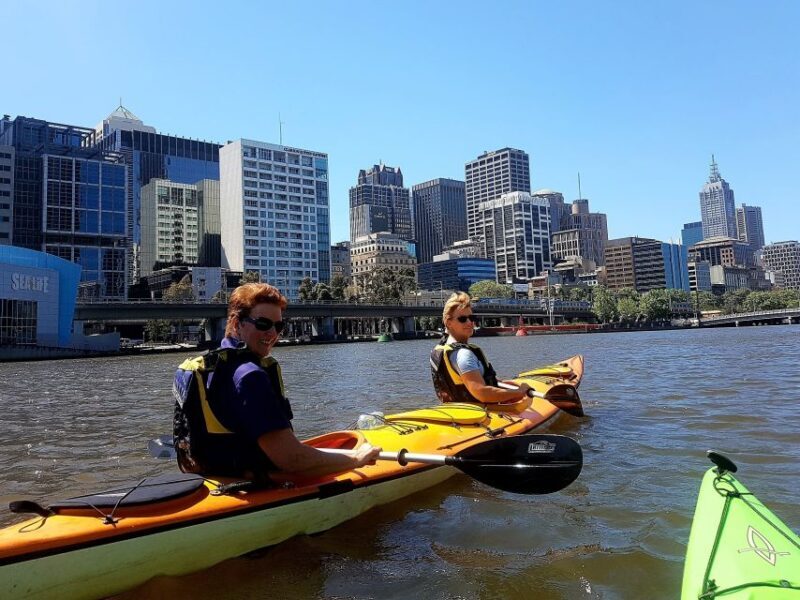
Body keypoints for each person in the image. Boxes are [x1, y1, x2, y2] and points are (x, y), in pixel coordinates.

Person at [174, 283, 380, 480]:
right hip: (256, 482)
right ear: (237, 324)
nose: (272, 333)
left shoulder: (213, 367)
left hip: (218, 475)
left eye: (278, 325)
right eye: (263, 324)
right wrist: (356, 458)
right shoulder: (249, 375)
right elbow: (292, 459)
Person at [430, 292, 531, 404]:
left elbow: (478, 381)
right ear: (449, 323)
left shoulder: (445, 348)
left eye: (472, 318)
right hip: (478, 414)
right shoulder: (463, 355)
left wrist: (511, 386)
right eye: (462, 319)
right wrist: (519, 392)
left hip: (460, 409)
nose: (469, 322)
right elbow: (482, 393)